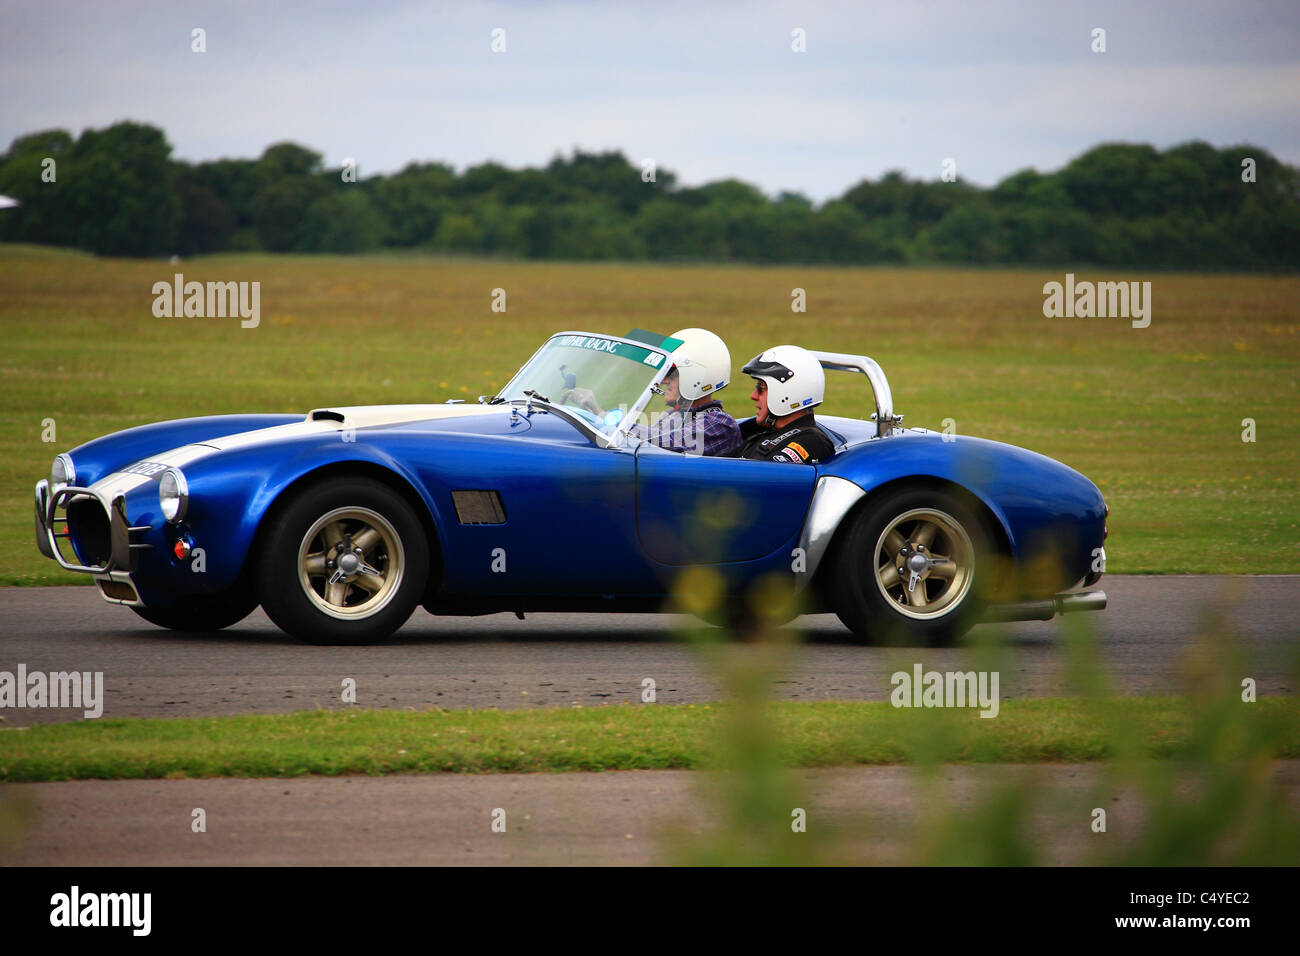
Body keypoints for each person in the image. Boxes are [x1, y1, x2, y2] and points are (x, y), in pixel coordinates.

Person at [634, 327, 742, 456]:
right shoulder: (673, 416)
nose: (663, 380)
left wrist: (614, 425)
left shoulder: (721, 425)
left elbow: (666, 443)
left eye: (670, 373)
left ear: (695, 377)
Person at [736, 345, 836, 464]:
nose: (753, 396)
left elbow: (767, 478)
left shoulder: (812, 441)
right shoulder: (757, 431)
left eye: (761, 388)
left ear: (787, 392)